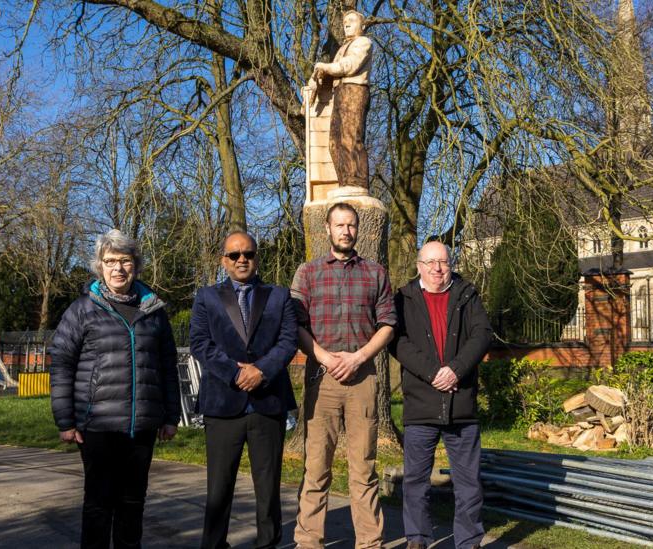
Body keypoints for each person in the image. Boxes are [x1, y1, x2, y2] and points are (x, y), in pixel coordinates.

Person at [50, 229, 180, 549]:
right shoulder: (81, 309)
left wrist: (171, 416)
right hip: (97, 424)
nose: (118, 268)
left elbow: (167, 365)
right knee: (98, 503)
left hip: (142, 425)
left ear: (136, 265)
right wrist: (65, 420)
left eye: (125, 261)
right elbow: (62, 363)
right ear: (100, 266)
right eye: (110, 261)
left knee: (133, 503)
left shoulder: (153, 310)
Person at [291, 202, 395, 549]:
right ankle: (308, 542)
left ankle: (370, 543)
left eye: (351, 225)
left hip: (362, 378)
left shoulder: (375, 273)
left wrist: (359, 357)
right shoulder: (307, 272)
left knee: (363, 469)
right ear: (327, 228)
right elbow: (296, 325)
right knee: (316, 467)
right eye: (339, 225)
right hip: (322, 379)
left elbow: (388, 324)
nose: (346, 231)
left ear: (358, 229)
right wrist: (323, 357)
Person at [189, 231, 299, 549]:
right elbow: (200, 342)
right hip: (223, 404)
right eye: (234, 255)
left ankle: (268, 544)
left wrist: (261, 370)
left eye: (248, 254)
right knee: (218, 488)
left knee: (268, 488)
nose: (242, 260)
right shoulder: (206, 297)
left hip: (268, 403)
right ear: (223, 260)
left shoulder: (279, 296)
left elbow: (289, 340)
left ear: (256, 258)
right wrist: (235, 374)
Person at [390, 241, 492, 549]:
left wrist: (456, 370)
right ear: (419, 266)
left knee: (468, 482)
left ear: (451, 264)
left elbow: (482, 335)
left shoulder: (467, 294)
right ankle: (417, 539)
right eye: (431, 262)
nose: (437, 268)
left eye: (444, 262)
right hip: (421, 403)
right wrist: (433, 372)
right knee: (415, 481)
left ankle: (469, 541)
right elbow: (397, 341)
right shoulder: (403, 298)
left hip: (461, 405)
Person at [311, 10, 373, 189]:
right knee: (334, 143)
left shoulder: (363, 42)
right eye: (345, 21)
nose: (346, 24)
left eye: (351, 20)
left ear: (362, 25)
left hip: (354, 90)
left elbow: (349, 66)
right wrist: (317, 79)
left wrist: (325, 67)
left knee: (350, 138)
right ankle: (344, 183)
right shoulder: (342, 49)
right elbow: (334, 70)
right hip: (339, 93)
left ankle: (356, 182)